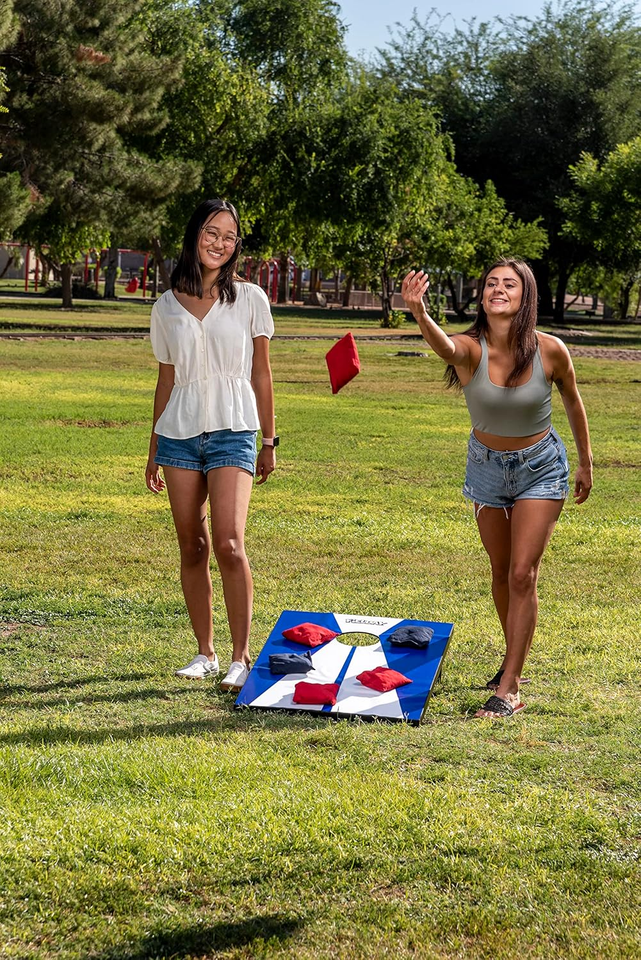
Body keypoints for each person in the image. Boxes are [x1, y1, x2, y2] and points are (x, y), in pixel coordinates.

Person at [402, 259, 593, 719]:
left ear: (526, 296)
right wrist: (420, 313)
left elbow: (572, 400)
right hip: (486, 469)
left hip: (540, 467)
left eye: (509, 284)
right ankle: (513, 659)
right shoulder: (471, 349)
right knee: (502, 571)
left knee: (523, 573)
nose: (498, 289)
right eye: (491, 283)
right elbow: (446, 348)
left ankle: (510, 687)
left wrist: (586, 462)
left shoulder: (551, 350)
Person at [145, 198, 277, 691]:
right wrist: (153, 448)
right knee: (192, 545)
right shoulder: (165, 305)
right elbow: (166, 380)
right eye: (211, 232)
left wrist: (269, 440)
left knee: (229, 542)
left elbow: (261, 373)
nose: (220, 243)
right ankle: (205, 653)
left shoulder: (250, 299)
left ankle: (241, 657)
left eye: (229, 236)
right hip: (178, 435)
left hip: (234, 428)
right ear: (194, 235)